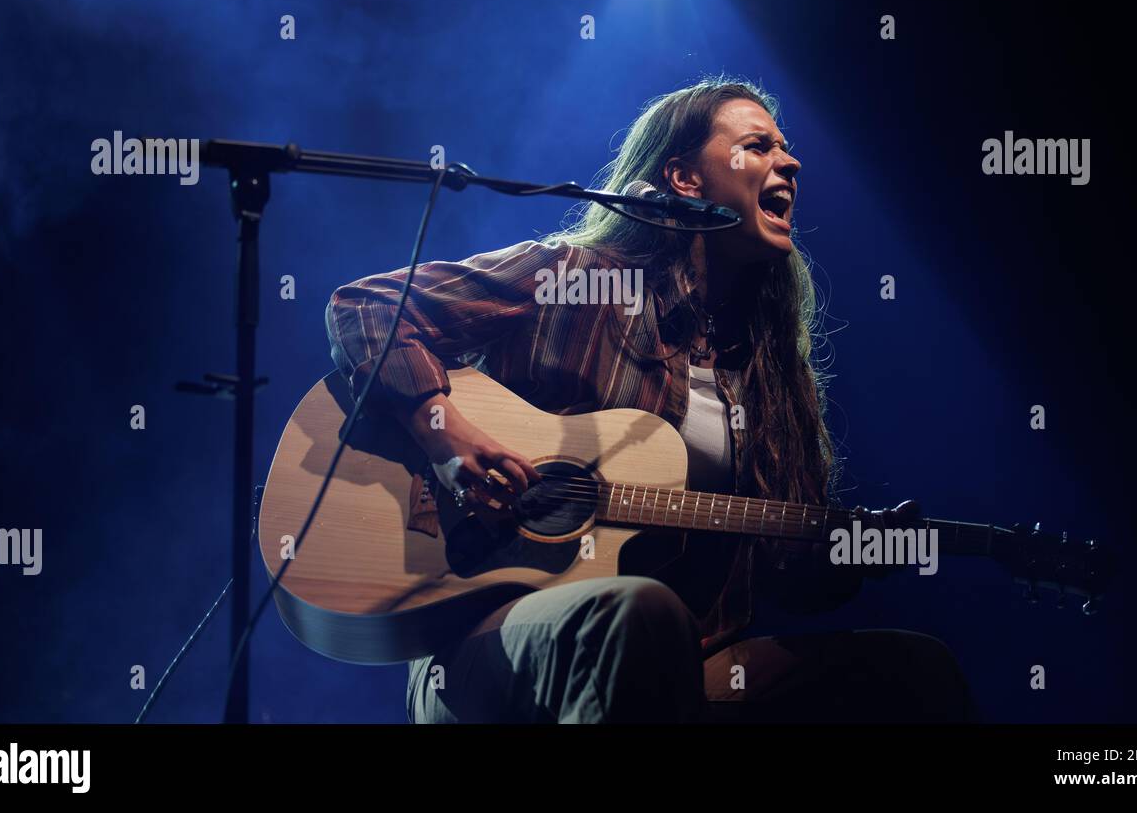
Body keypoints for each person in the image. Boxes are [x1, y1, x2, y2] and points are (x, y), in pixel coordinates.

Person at [325, 76, 978, 723]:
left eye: (787, 147)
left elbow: (789, 574)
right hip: (477, 638)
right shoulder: (576, 279)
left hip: (689, 660)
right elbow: (368, 308)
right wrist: (447, 438)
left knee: (914, 670)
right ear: (684, 180)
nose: (792, 161)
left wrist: (857, 551)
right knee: (639, 614)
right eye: (760, 145)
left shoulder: (770, 372)